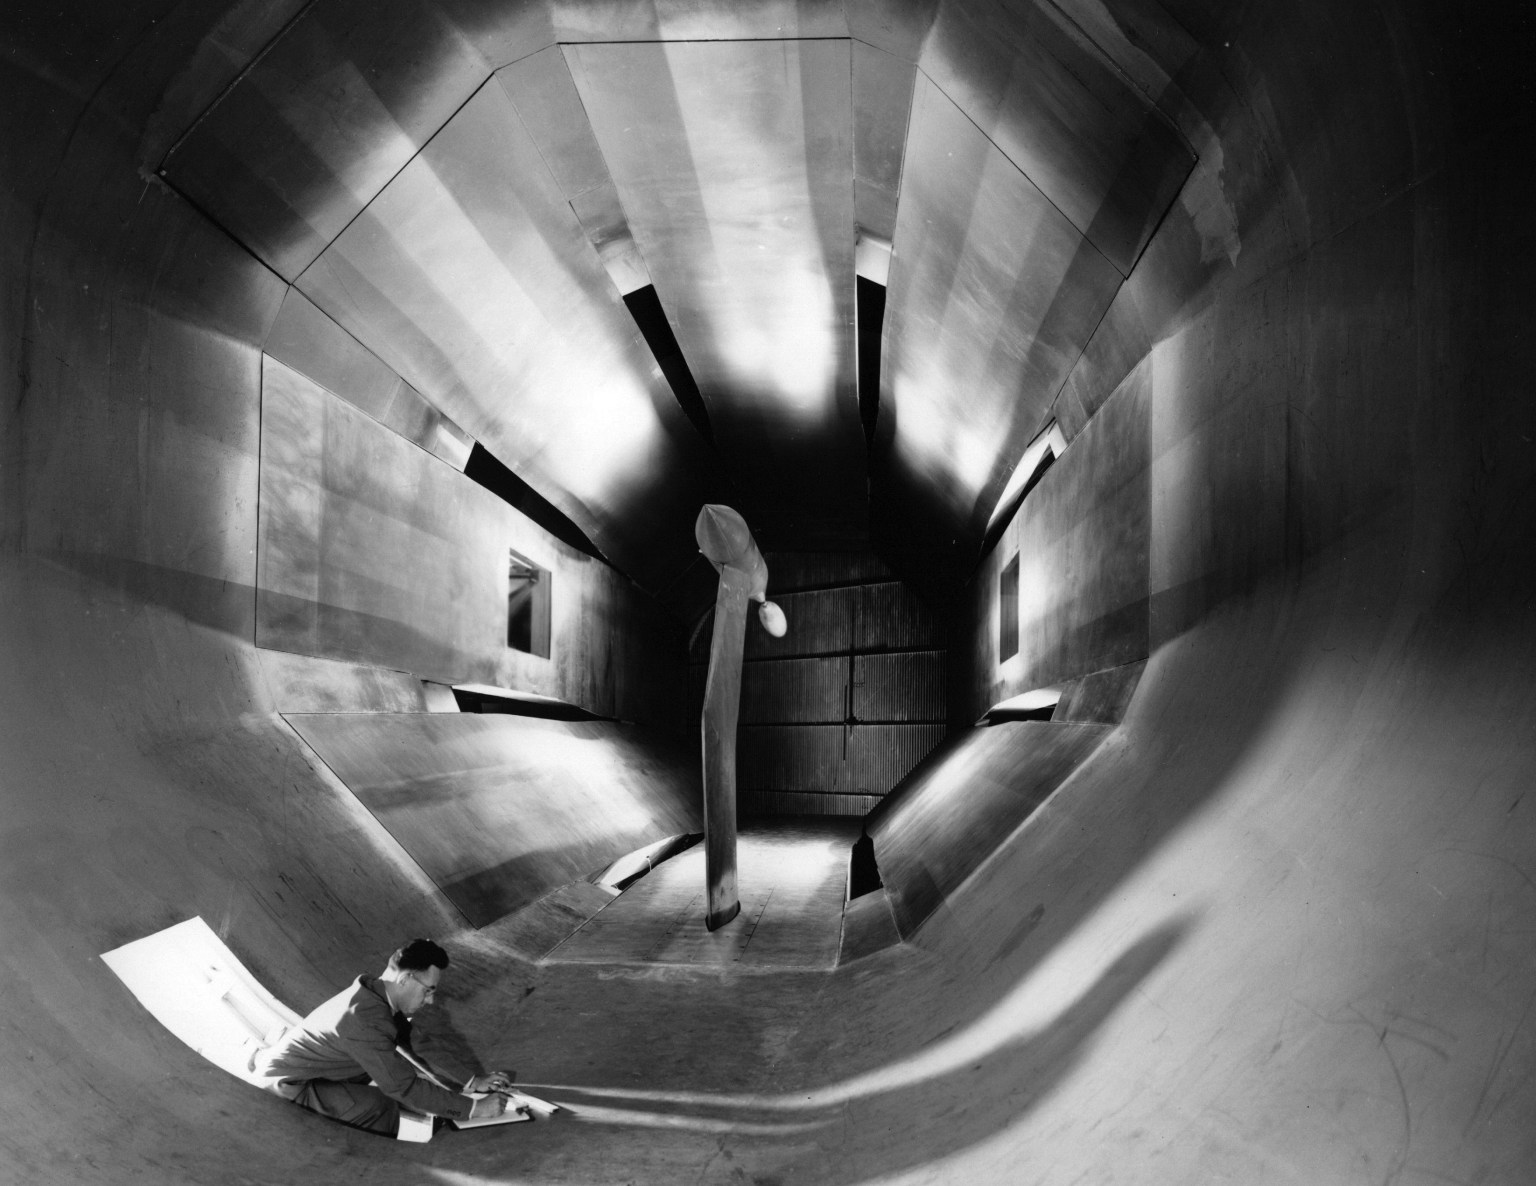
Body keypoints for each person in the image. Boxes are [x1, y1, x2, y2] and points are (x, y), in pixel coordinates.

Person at [252, 938, 516, 1137]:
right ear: (404, 978)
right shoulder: (364, 1018)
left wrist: (474, 1082)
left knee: (407, 1078)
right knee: (380, 1104)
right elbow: (404, 1088)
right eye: (428, 991)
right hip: (287, 1090)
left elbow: (417, 1044)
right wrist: (474, 1109)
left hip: (310, 1075)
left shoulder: (376, 992)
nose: (431, 1000)